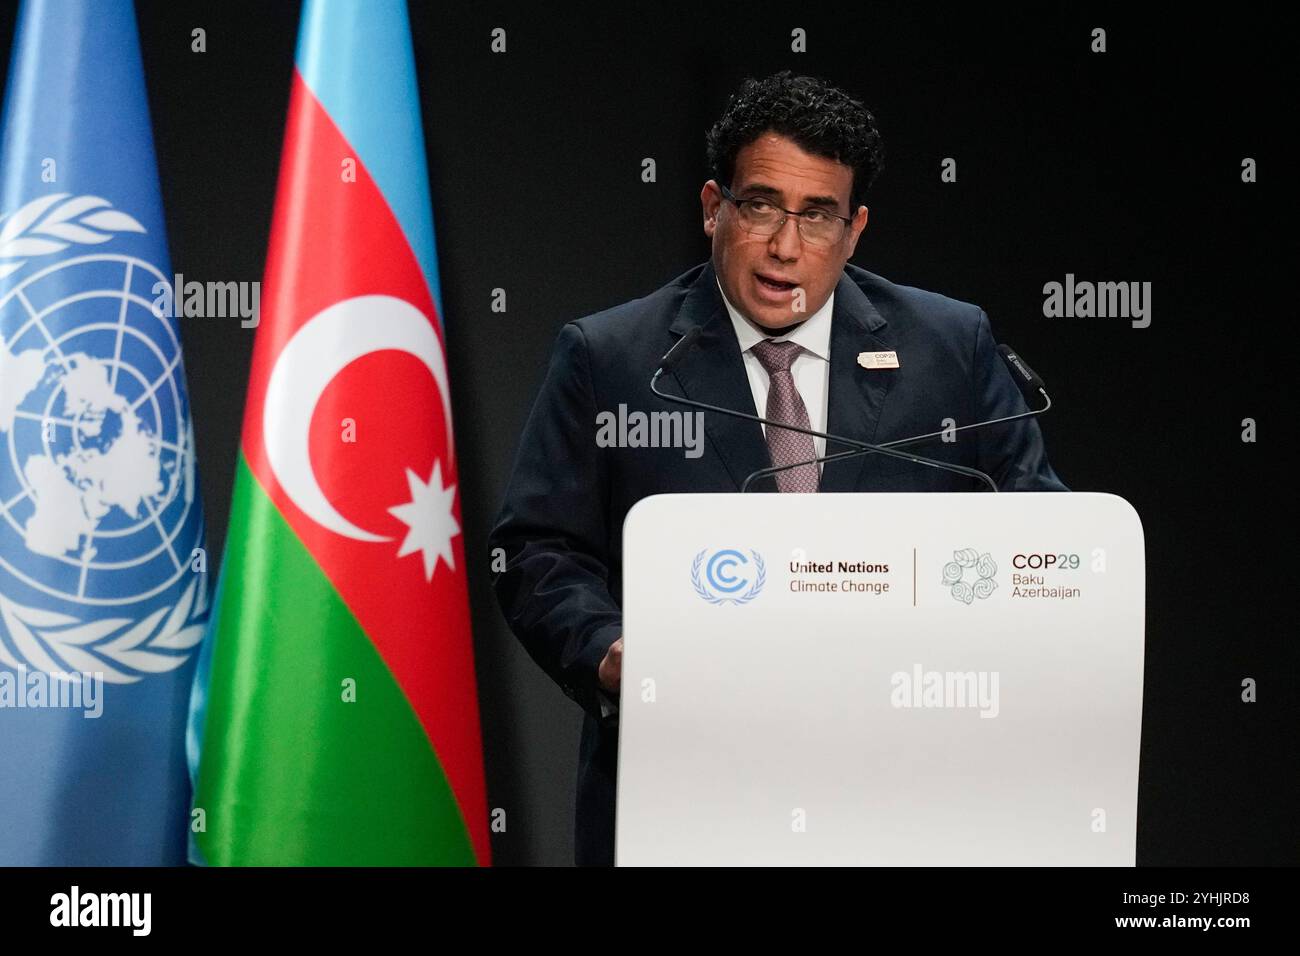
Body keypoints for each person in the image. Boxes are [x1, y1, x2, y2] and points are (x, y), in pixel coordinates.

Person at [489, 71, 1067, 866]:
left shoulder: (949, 348)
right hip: (685, 802)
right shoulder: (613, 359)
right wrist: (611, 650)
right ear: (711, 207)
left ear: (855, 228)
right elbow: (536, 549)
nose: (785, 247)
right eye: (760, 206)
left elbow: (1040, 532)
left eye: (818, 216)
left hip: (903, 801)